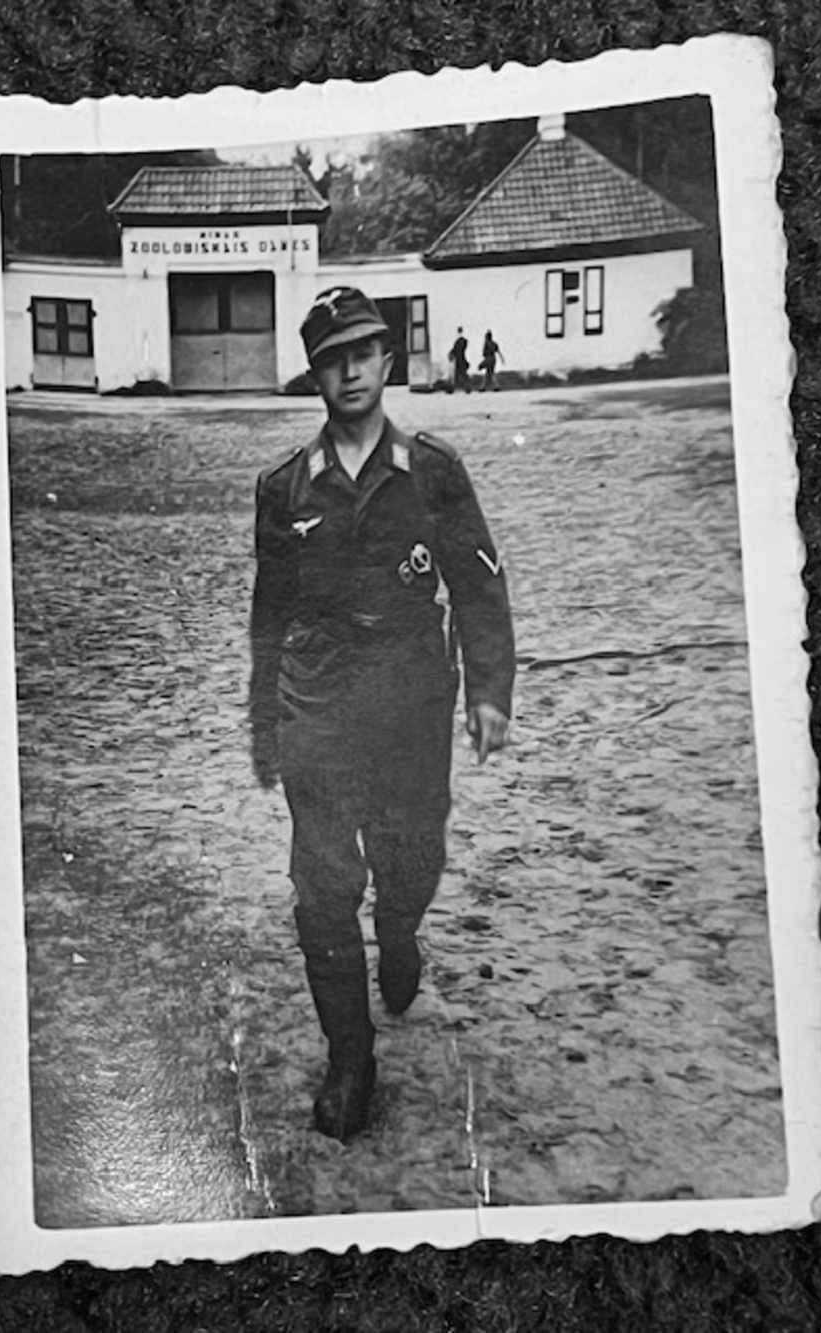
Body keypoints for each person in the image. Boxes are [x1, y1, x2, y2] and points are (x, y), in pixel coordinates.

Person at [249, 287, 515, 1142]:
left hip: (409, 700)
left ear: (387, 361)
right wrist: (264, 720)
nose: (351, 369)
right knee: (322, 889)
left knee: (412, 857)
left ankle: (400, 931)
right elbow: (268, 611)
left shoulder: (431, 471)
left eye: (365, 351)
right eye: (334, 357)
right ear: (315, 374)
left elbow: (476, 583)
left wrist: (488, 691)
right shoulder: (284, 487)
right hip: (317, 704)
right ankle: (350, 1057)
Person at [448, 326, 471, 393]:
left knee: (461, 374)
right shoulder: (461, 341)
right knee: (458, 374)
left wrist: (451, 353)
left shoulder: (460, 341)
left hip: (460, 359)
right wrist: (451, 353)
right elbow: (456, 349)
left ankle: (466, 388)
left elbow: (457, 349)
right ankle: (453, 388)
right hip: (460, 359)